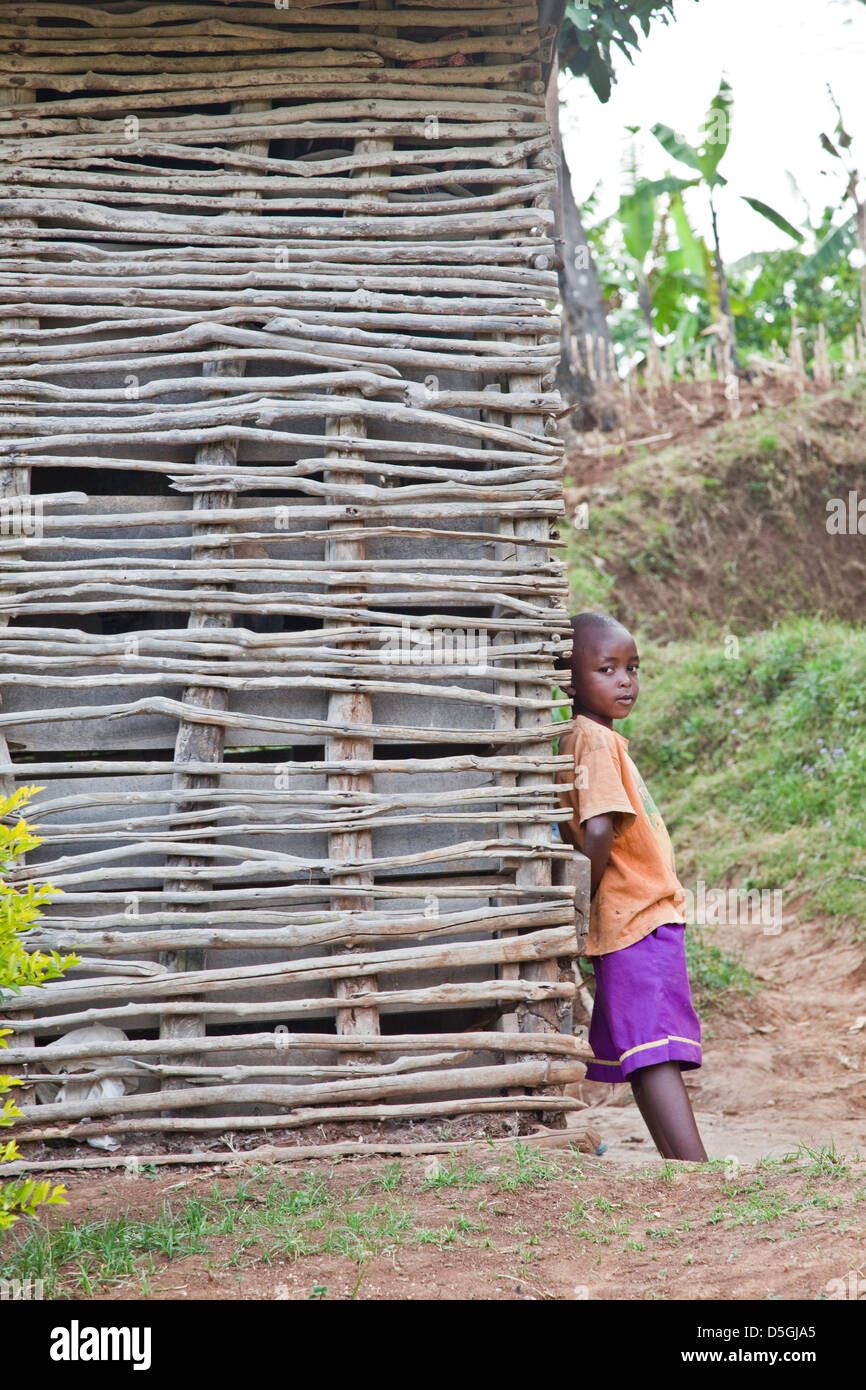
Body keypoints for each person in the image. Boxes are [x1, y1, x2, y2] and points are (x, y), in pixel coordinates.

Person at [554, 611, 707, 1161]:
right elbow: (597, 830)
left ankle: (681, 1171)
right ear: (569, 681)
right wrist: (582, 902)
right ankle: (698, 1172)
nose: (626, 681)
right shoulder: (593, 739)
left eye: (633, 668)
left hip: (626, 922)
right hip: (638, 916)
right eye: (608, 668)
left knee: (643, 1053)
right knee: (656, 1053)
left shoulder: (591, 737)